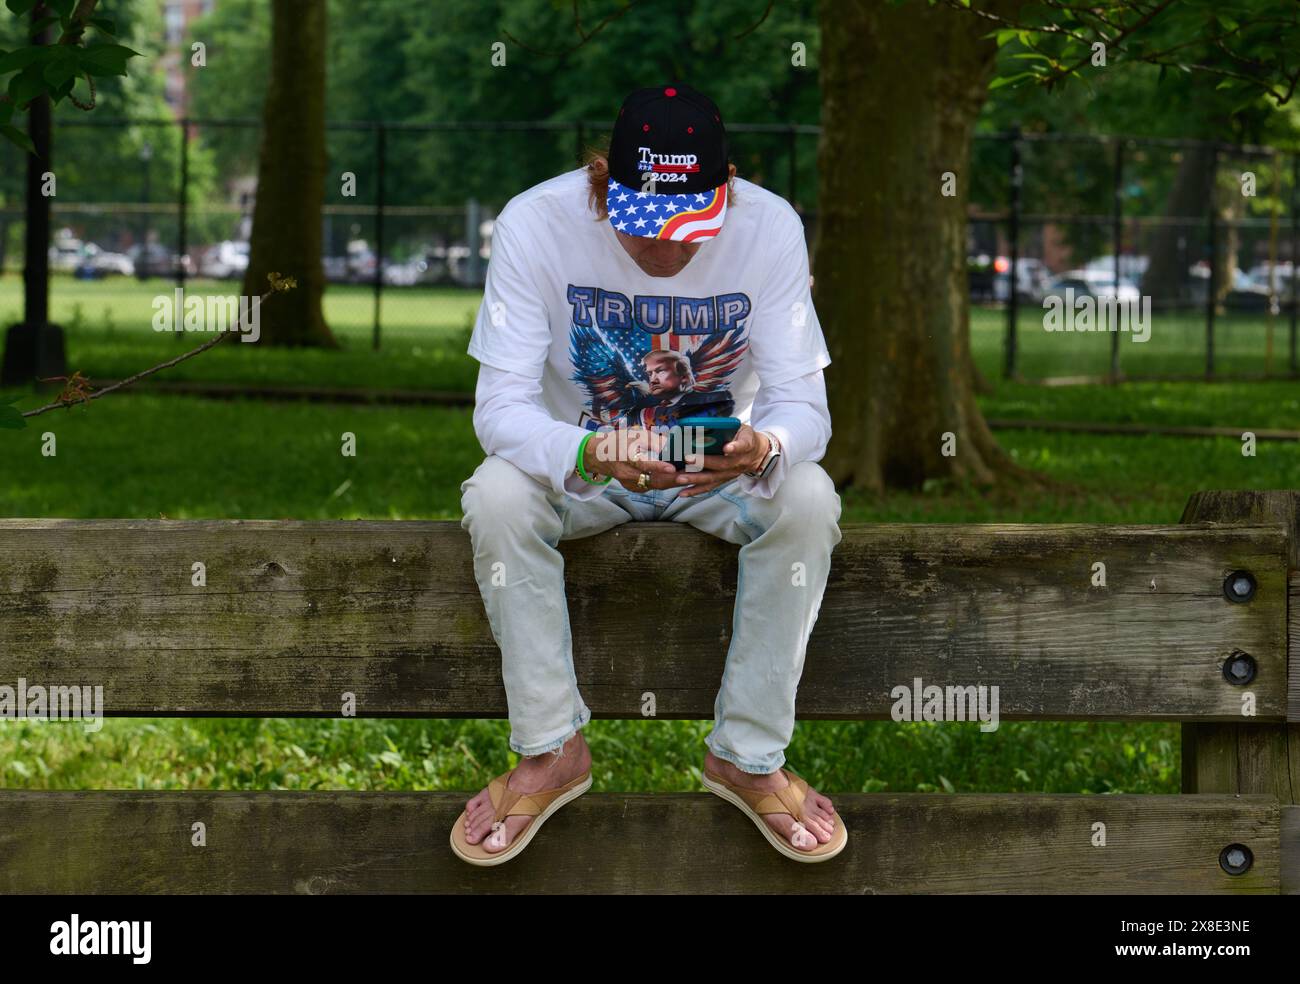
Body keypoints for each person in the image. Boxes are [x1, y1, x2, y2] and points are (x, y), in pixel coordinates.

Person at [451, 83, 846, 866]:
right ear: (604, 184)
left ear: (724, 190)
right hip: (586, 466)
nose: (667, 253)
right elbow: (498, 408)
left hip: (719, 473)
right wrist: (585, 452)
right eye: (644, 231)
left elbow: (807, 407)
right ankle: (549, 747)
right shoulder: (535, 222)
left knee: (809, 494)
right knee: (496, 492)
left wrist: (762, 447)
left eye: (689, 230)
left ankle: (748, 756)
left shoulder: (770, 227)